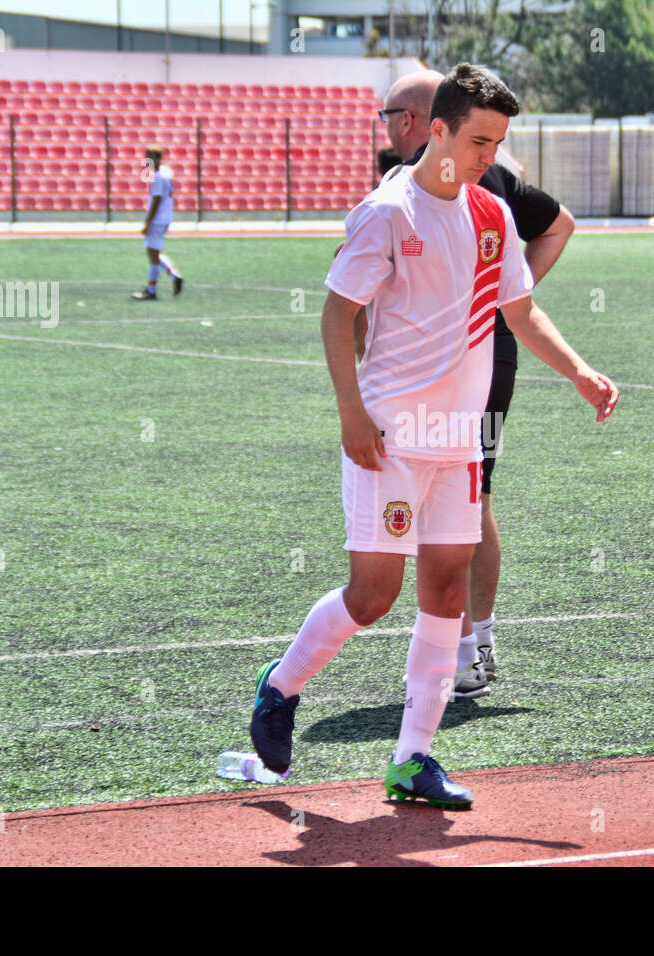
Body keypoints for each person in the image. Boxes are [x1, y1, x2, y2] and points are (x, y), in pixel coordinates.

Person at [241, 64, 618, 809]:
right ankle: (280, 685)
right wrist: (351, 413)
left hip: (459, 442)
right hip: (389, 437)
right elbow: (337, 314)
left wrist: (578, 371)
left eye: (500, 142)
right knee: (375, 595)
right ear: (437, 129)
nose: (491, 156)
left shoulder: (493, 215)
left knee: (446, 592)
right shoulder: (388, 213)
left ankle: (414, 759)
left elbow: (522, 310)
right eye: (480, 140)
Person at [377, 69, 576, 698]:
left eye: (388, 117)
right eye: (481, 140)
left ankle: (464, 648)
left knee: (461, 495)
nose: (486, 153)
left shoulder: (457, 181)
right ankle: (468, 645)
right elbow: (560, 223)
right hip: (470, 356)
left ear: (414, 120)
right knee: (468, 493)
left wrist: (500, 300)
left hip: (466, 360)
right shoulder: (445, 183)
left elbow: (556, 227)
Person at [132, 145, 183, 300]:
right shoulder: (166, 172)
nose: (146, 160)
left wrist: (148, 222)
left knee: (152, 254)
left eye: (149, 157)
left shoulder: (159, 176)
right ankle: (170, 276)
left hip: (157, 219)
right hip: (165, 217)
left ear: (157, 158)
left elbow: (156, 200)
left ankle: (154, 289)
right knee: (153, 252)